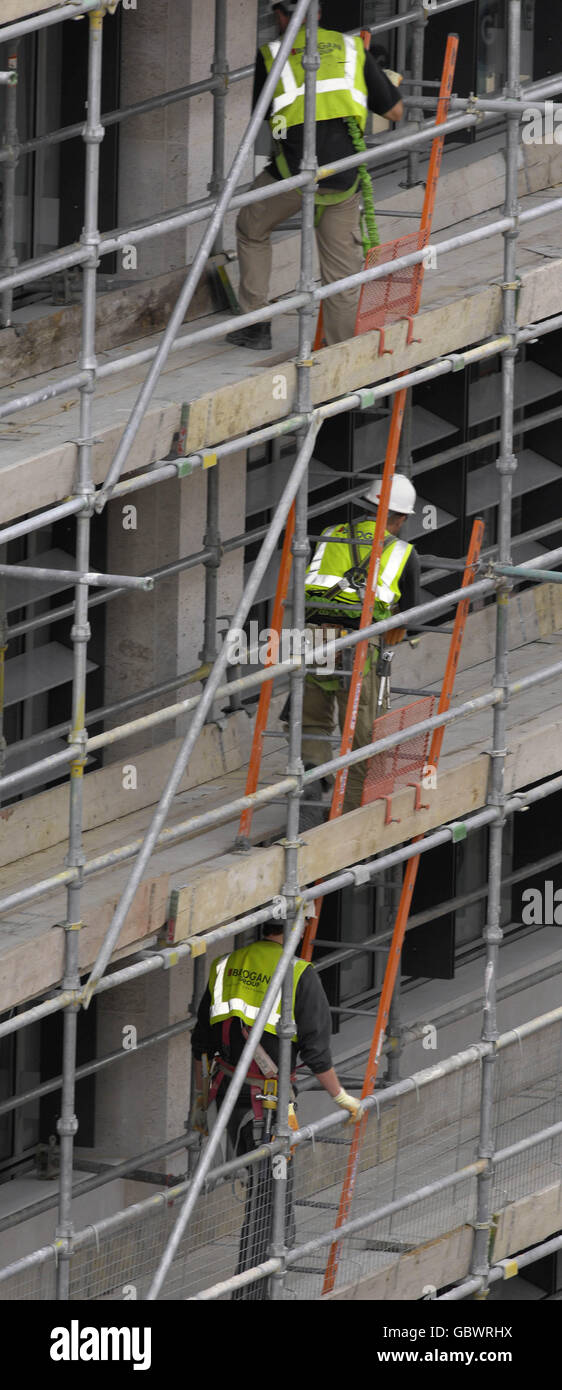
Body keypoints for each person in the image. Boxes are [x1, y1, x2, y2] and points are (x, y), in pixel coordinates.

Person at [190, 919, 362, 1299]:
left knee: (264, 1195)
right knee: (270, 1200)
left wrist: (204, 1098)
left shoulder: (225, 965)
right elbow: (317, 1053)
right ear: (296, 930)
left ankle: (261, 1279)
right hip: (265, 1103)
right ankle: (253, 1290)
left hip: (227, 1096)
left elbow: (201, 1040)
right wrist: (341, 1098)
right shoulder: (299, 973)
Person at [226, 3, 403, 351]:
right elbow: (395, 111)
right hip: (343, 176)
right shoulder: (352, 49)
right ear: (318, 13)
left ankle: (255, 324)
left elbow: (264, 120)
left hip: (295, 173)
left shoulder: (272, 54)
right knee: (341, 275)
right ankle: (341, 353)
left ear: (279, 15)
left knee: (251, 225)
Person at [301, 473, 421, 818]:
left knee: (312, 718)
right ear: (399, 518)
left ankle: (313, 782)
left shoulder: (329, 534)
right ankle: (350, 810)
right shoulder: (404, 553)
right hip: (362, 646)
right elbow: (409, 614)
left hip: (318, 636)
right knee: (363, 733)